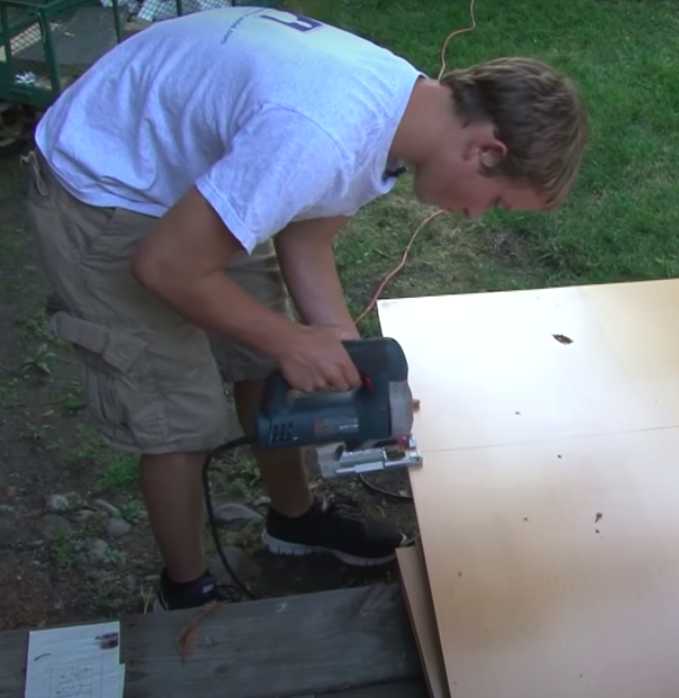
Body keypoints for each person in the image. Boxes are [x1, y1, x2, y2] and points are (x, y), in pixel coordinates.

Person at [23, 5, 588, 611]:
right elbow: (164, 267)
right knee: (177, 420)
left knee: (264, 369)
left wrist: (345, 353)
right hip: (107, 189)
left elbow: (307, 234)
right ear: (486, 150)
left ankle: (294, 520)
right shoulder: (321, 134)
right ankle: (185, 594)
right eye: (496, 202)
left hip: (194, 168)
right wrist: (291, 340)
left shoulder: (401, 114)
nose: (476, 216)